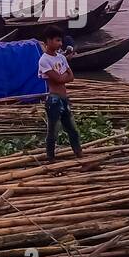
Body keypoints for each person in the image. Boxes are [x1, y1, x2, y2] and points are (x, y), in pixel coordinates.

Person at [38, 30, 83, 165]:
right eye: (57, 41)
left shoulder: (61, 58)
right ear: (48, 41)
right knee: (53, 131)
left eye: (61, 41)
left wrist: (63, 77)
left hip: (64, 98)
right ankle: (50, 158)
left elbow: (71, 77)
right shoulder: (44, 60)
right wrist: (63, 77)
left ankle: (79, 153)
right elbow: (58, 79)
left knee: (72, 129)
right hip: (54, 99)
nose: (60, 44)